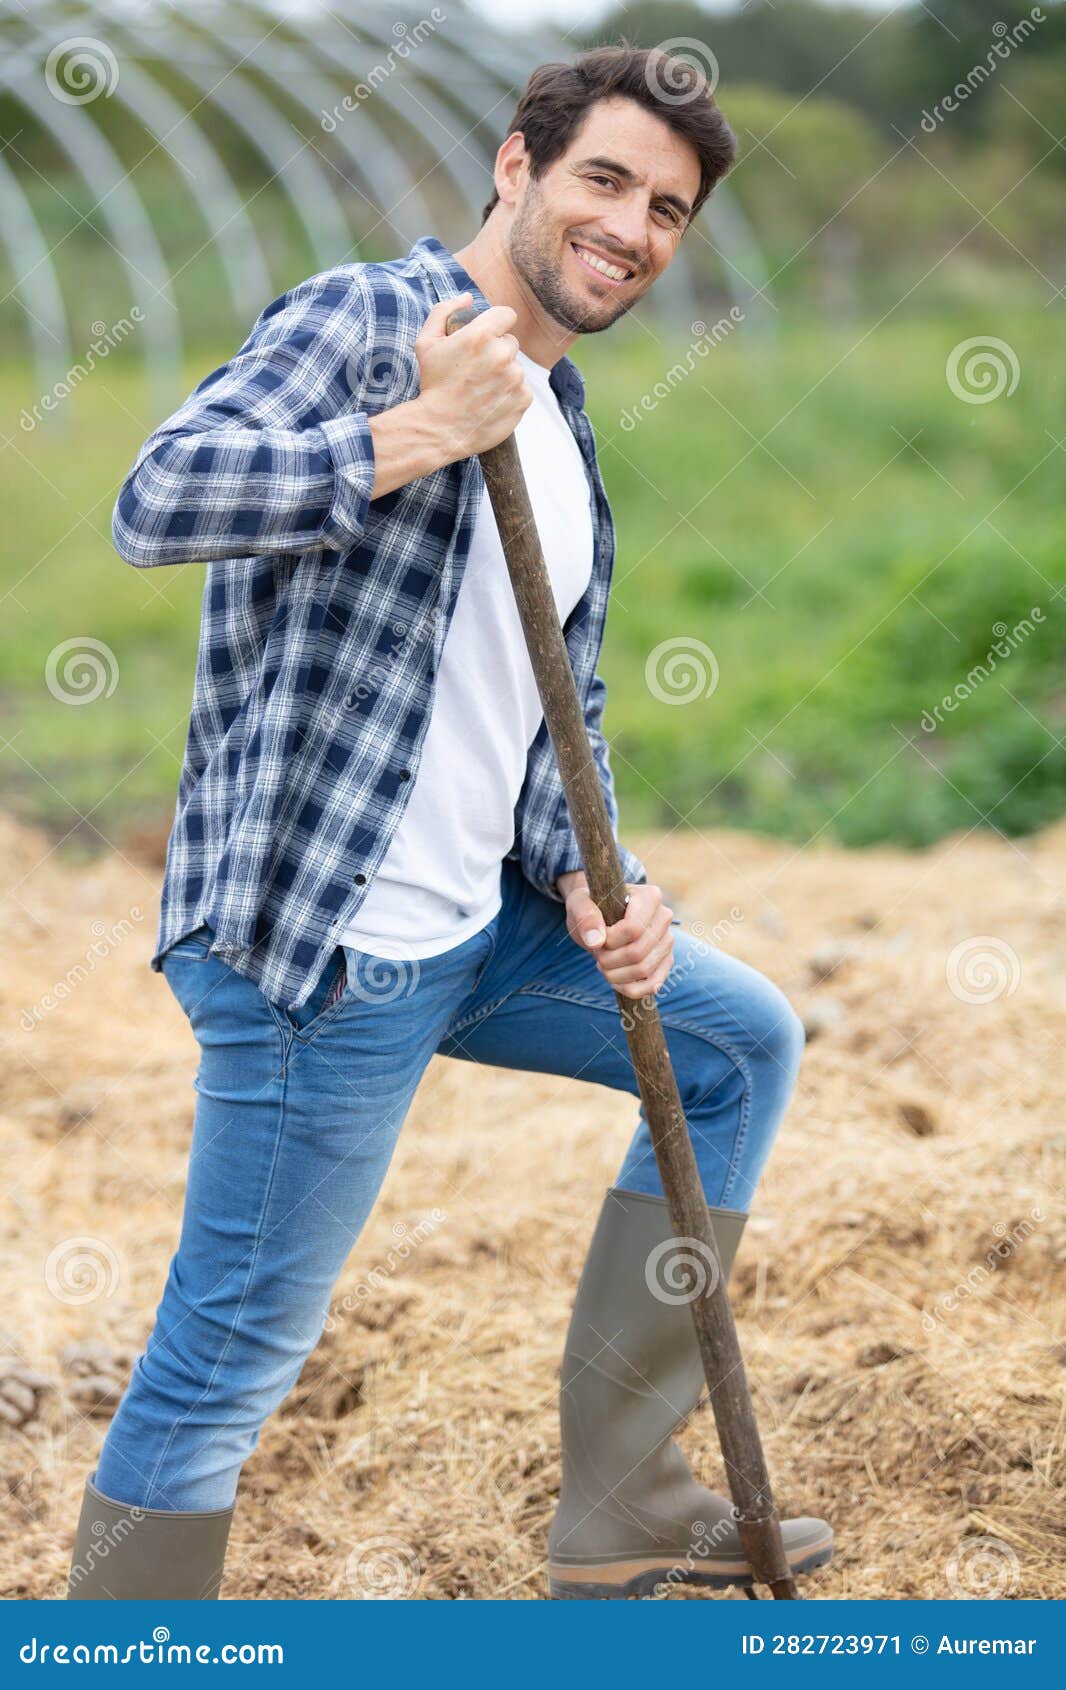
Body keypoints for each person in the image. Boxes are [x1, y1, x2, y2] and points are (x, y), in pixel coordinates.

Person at [66, 43, 833, 1601]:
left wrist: (596, 869)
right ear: (514, 167)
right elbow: (158, 499)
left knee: (737, 1040)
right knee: (229, 1353)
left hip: (475, 930)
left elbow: (552, 708)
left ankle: (618, 1498)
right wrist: (415, 430)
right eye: (603, 181)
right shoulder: (371, 320)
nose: (629, 227)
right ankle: (120, 1639)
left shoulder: (559, 423)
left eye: (666, 209)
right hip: (327, 947)